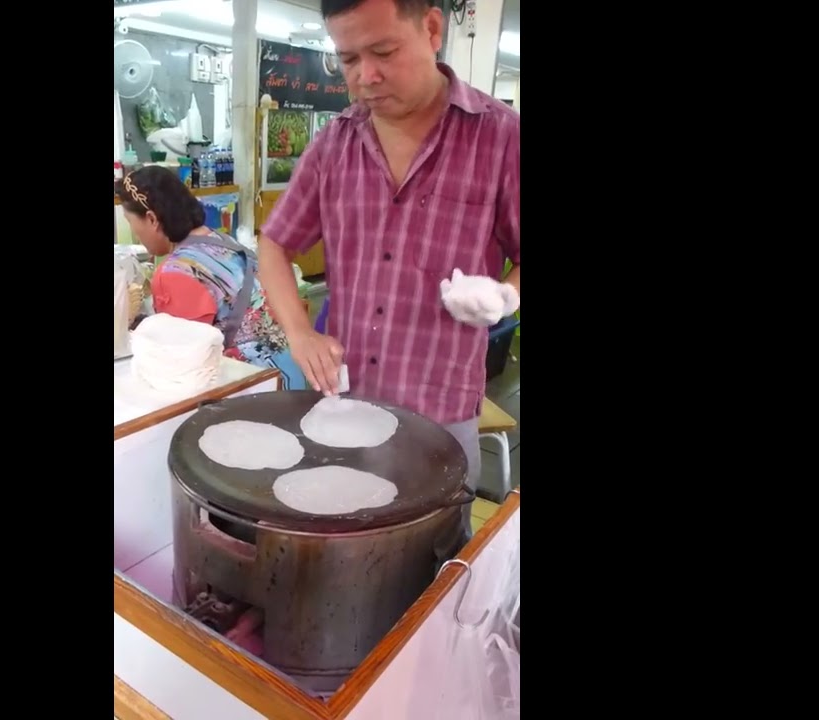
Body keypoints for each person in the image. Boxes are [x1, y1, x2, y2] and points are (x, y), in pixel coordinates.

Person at [256, 0, 521, 536]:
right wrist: (300, 332)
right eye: (348, 59)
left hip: (439, 417)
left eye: (383, 51)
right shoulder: (335, 145)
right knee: (347, 555)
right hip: (344, 410)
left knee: (434, 564)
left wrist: (507, 294)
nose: (366, 76)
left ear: (430, 29)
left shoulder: (501, 139)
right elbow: (274, 244)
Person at [117, 166, 306, 390]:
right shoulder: (221, 240)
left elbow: (184, 368)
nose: (135, 232)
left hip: (256, 389)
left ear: (151, 219)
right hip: (292, 375)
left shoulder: (176, 272)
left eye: (131, 223)